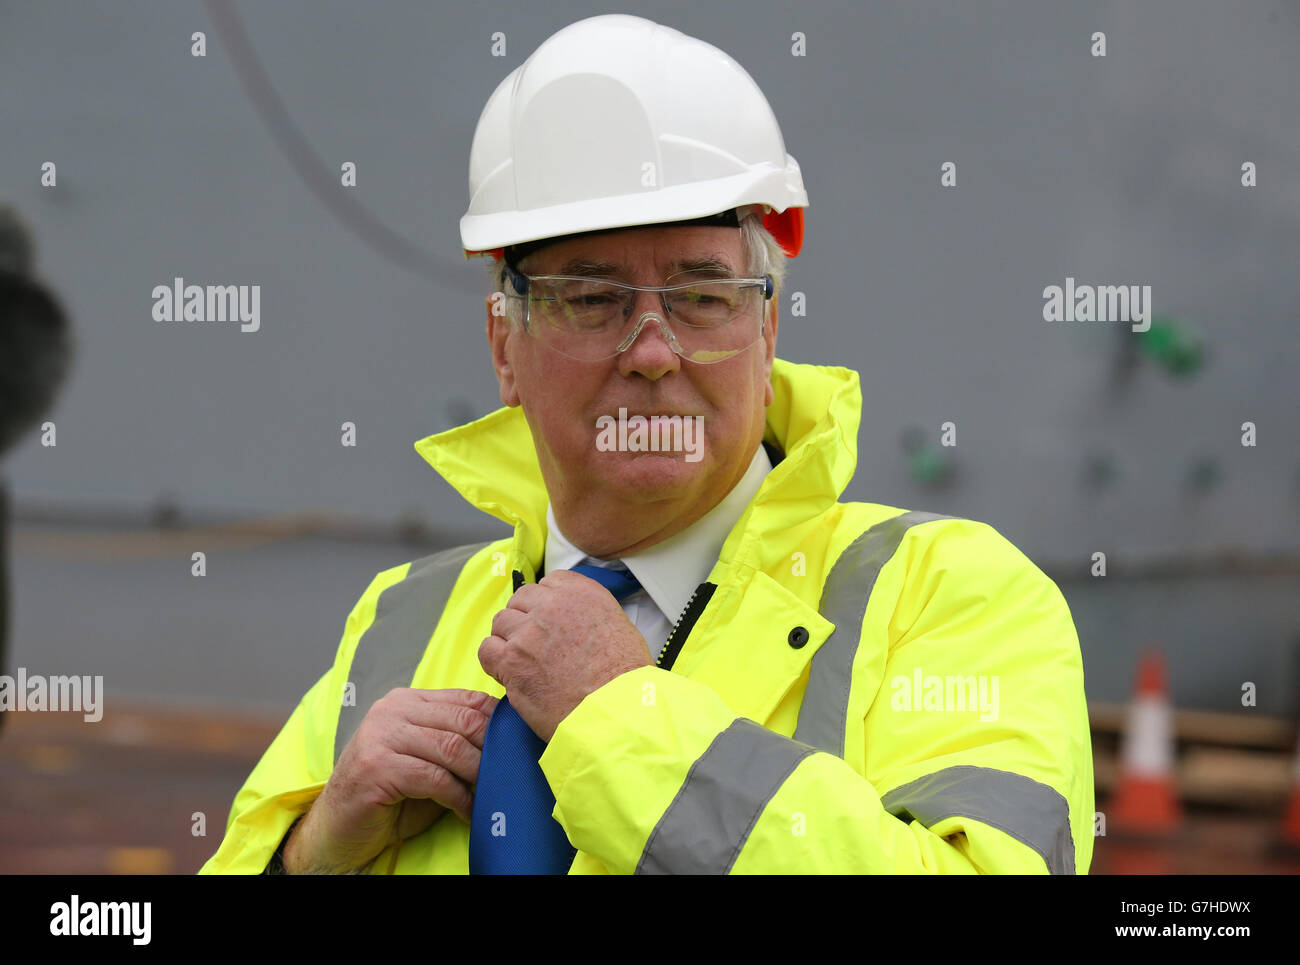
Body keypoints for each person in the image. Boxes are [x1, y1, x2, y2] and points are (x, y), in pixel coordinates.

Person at [200, 14, 1093, 875]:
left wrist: (621, 720)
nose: (656, 352)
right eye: (592, 299)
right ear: (504, 347)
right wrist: (314, 850)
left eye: (704, 296)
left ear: (768, 331)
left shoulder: (952, 596)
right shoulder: (401, 620)